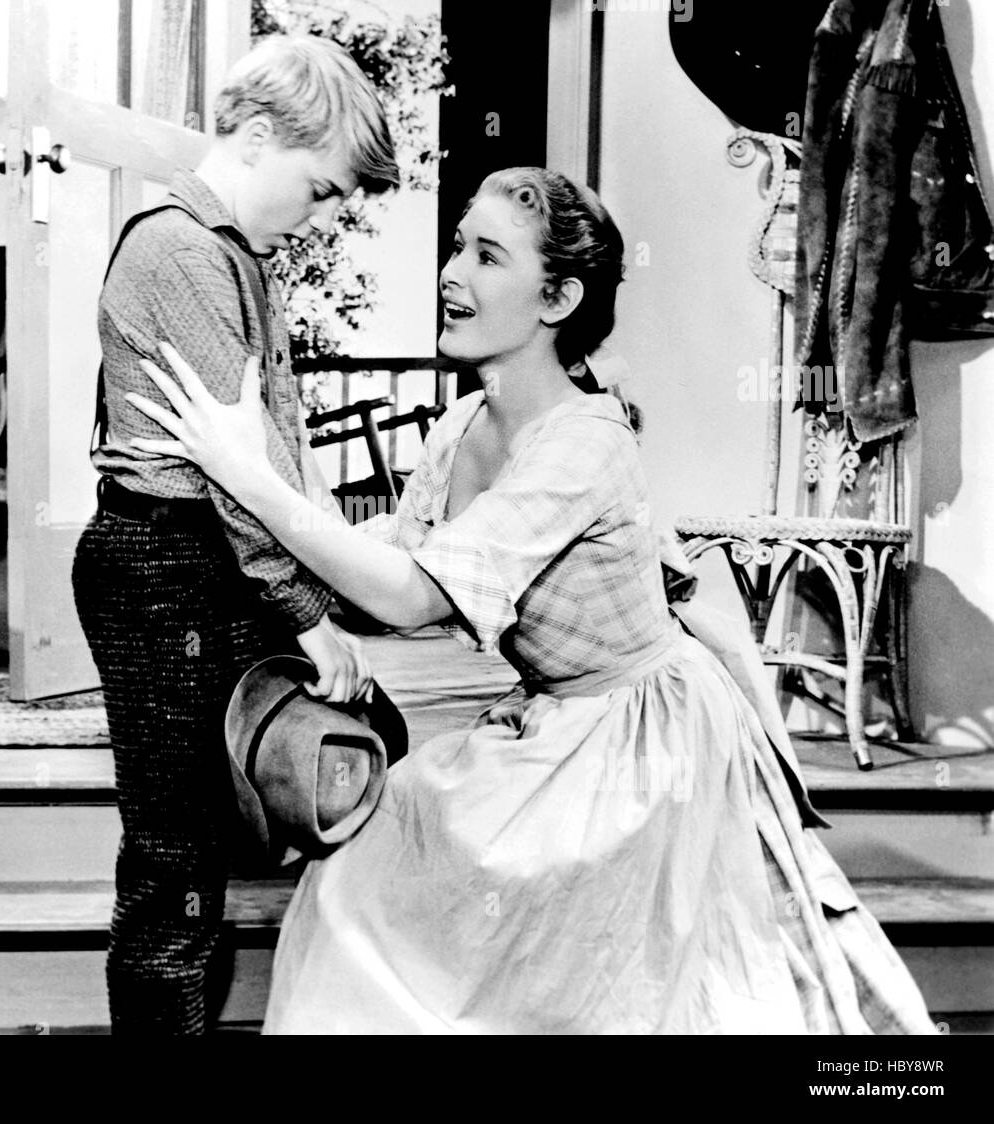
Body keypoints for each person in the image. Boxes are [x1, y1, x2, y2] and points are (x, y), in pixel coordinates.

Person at [127, 167, 936, 1034]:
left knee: (630, 985)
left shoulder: (587, 442)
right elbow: (375, 569)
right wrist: (269, 461)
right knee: (363, 867)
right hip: (552, 724)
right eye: (456, 247)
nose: (451, 273)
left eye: (486, 256)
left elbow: (408, 598)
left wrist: (245, 473)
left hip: (643, 745)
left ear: (557, 298)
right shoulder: (460, 428)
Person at [72, 34, 397, 1035]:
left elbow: (267, 450)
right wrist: (307, 613)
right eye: (323, 187)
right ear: (258, 137)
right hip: (163, 560)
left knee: (228, 839)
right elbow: (232, 473)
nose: (326, 213)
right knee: (172, 869)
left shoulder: (236, 250)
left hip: (205, 560)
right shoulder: (178, 247)